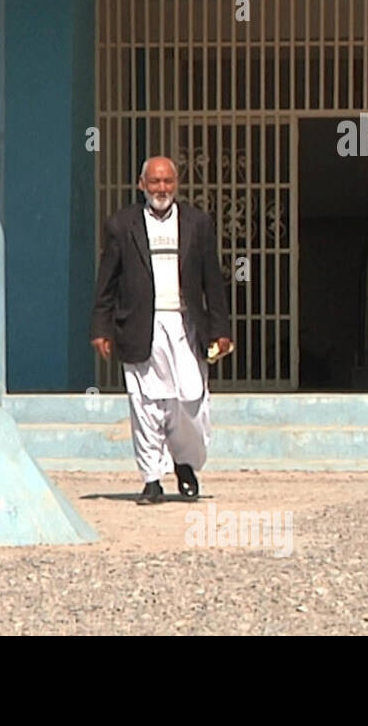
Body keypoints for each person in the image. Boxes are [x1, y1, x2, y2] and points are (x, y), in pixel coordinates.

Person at [90, 156, 232, 504]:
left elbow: (212, 280)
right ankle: (152, 478)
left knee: (190, 402)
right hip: (140, 325)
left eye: (167, 182)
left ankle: (184, 461)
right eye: (154, 182)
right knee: (145, 403)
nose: (161, 189)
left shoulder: (197, 223)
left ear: (177, 183)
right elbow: (106, 282)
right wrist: (101, 328)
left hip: (185, 326)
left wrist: (221, 329)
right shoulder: (122, 225)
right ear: (142, 185)